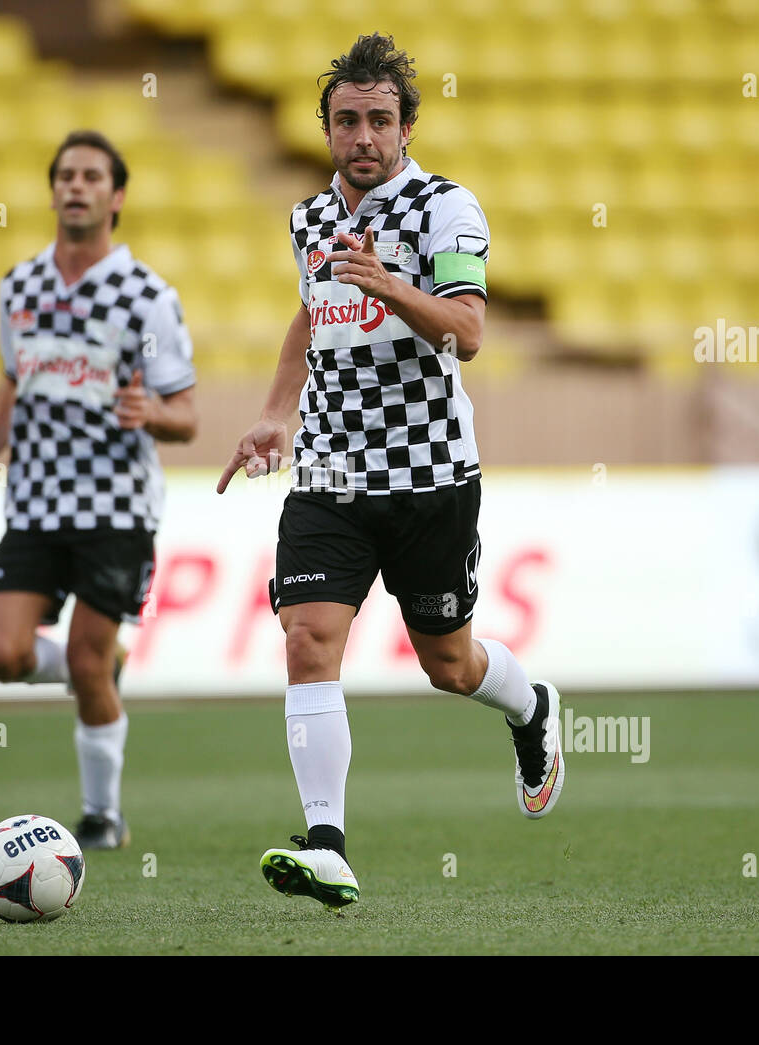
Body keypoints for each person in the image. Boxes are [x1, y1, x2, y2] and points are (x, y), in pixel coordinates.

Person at [216, 33, 563, 910]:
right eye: (346, 121)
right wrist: (274, 412)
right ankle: (326, 842)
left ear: (407, 127)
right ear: (327, 129)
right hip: (330, 474)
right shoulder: (308, 220)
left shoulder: (445, 210)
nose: (362, 136)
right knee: (306, 637)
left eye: (379, 120)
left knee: (448, 663)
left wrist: (387, 286)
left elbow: (469, 334)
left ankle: (532, 709)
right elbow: (309, 317)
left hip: (430, 475)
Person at [0, 130, 197, 850]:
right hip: (32, 504)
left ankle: (102, 817)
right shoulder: (19, 285)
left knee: (89, 660)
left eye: (92, 176)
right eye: (66, 174)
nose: (76, 186)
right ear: (53, 189)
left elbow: (185, 414)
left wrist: (150, 412)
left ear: (115, 196)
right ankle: (100, 666)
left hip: (114, 508)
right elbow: (13, 375)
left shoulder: (148, 297)